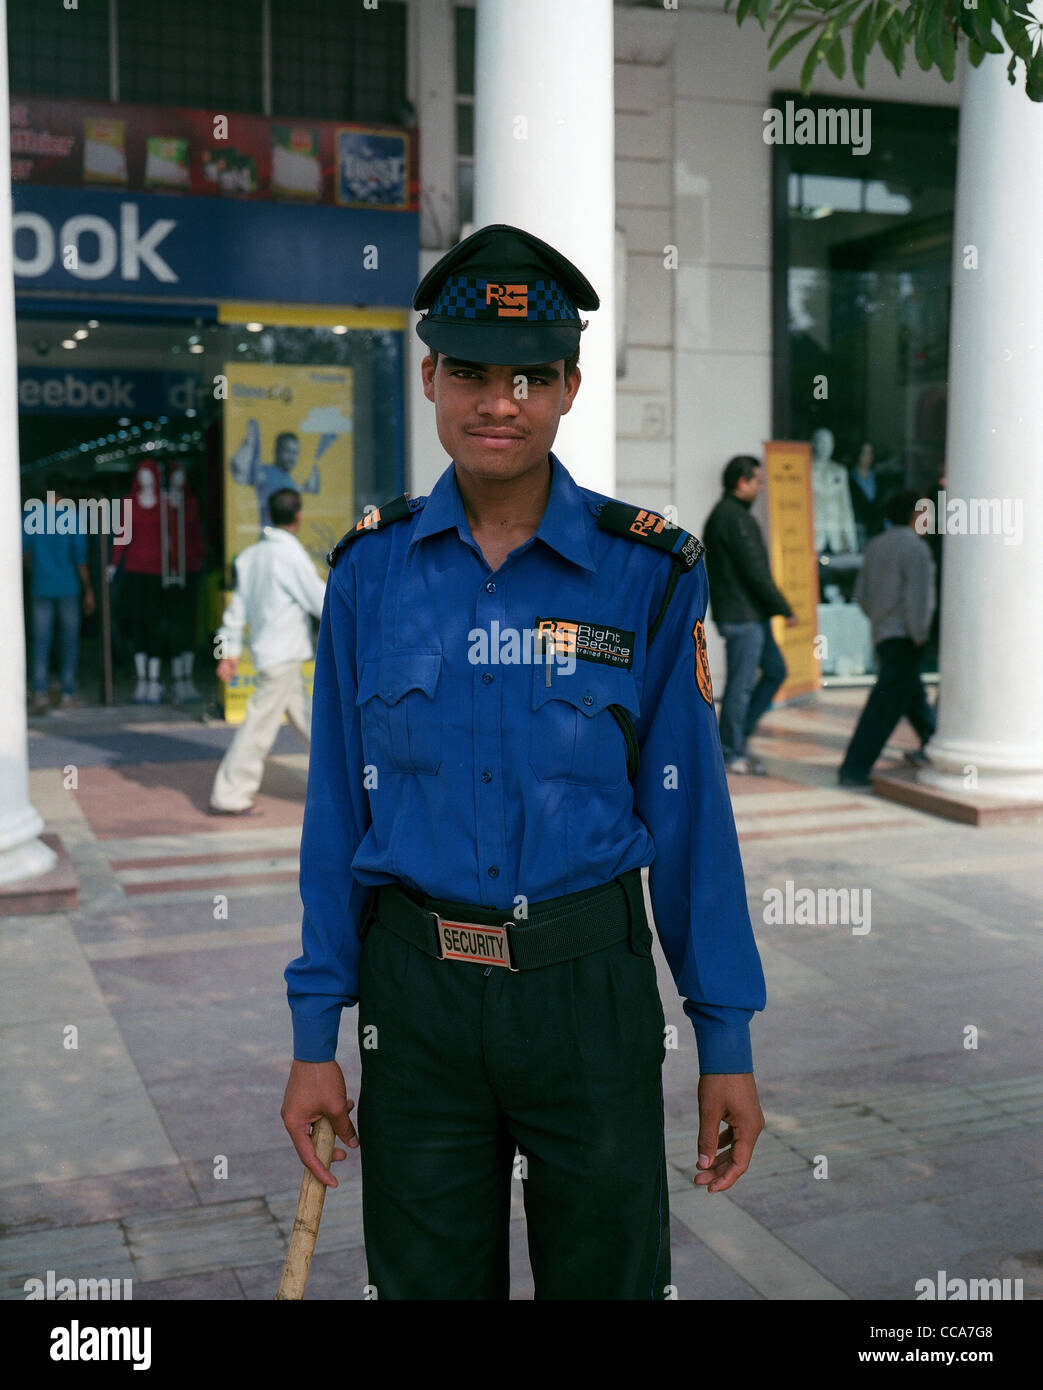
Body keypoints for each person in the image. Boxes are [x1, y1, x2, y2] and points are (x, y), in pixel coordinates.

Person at [280, 224, 766, 1301]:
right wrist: (317, 1029)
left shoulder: (647, 571)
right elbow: (332, 819)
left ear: (568, 388)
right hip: (414, 1001)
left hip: (586, 992)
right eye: (468, 373)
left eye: (529, 377)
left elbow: (688, 817)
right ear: (428, 378)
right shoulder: (370, 571)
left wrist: (720, 1034)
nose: (497, 401)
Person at [209, 488, 327, 815]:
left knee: (314, 724)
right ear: (299, 516)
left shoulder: (249, 558)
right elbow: (322, 600)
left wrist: (228, 652)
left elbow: (235, 612)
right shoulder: (290, 556)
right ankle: (230, 795)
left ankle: (345, 782)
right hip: (284, 656)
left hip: (271, 655)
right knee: (258, 729)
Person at [702, 456, 797, 774]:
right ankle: (730, 750)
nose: (760, 487)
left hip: (750, 614)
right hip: (743, 616)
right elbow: (754, 571)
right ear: (741, 482)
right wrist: (783, 608)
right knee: (741, 685)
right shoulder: (733, 518)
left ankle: (737, 738)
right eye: (757, 481)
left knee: (775, 671)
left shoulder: (730, 516)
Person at [838, 489, 937, 787]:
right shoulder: (916, 549)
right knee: (884, 707)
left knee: (911, 696)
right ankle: (854, 768)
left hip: (884, 634)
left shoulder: (876, 546)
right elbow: (917, 599)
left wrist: (880, 621)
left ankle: (932, 745)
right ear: (915, 515)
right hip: (906, 637)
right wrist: (920, 635)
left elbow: (862, 595)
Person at [22, 473, 95, 713]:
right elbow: (80, 559)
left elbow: (24, 553)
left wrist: (36, 572)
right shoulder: (72, 517)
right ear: (66, 491)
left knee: (40, 640)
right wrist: (88, 589)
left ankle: (40, 692)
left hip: (41, 586)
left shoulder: (31, 515)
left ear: (44, 490)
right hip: (68, 587)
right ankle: (67, 692)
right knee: (69, 641)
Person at [230, 425, 321, 535]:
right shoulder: (265, 473)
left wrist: (315, 469)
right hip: (269, 537)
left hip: (286, 538)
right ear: (276, 450)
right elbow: (238, 469)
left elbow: (310, 488)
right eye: (288, 451)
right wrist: (249, 442)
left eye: (295, 452)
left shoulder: (289, 479)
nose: (292, 457)